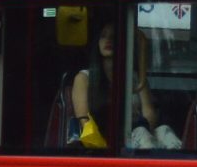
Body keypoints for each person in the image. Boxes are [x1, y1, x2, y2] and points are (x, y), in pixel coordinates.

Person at [71, 22, 180, 152]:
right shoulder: (84, 78)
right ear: (97, 43)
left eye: (114, 37)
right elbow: (85, 121)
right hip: (104, 140)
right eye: (103, 36)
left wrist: (142, 128)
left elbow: (149, 113)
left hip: (138, 131)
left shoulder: (135, 78)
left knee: (164, 131)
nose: (108, 40)